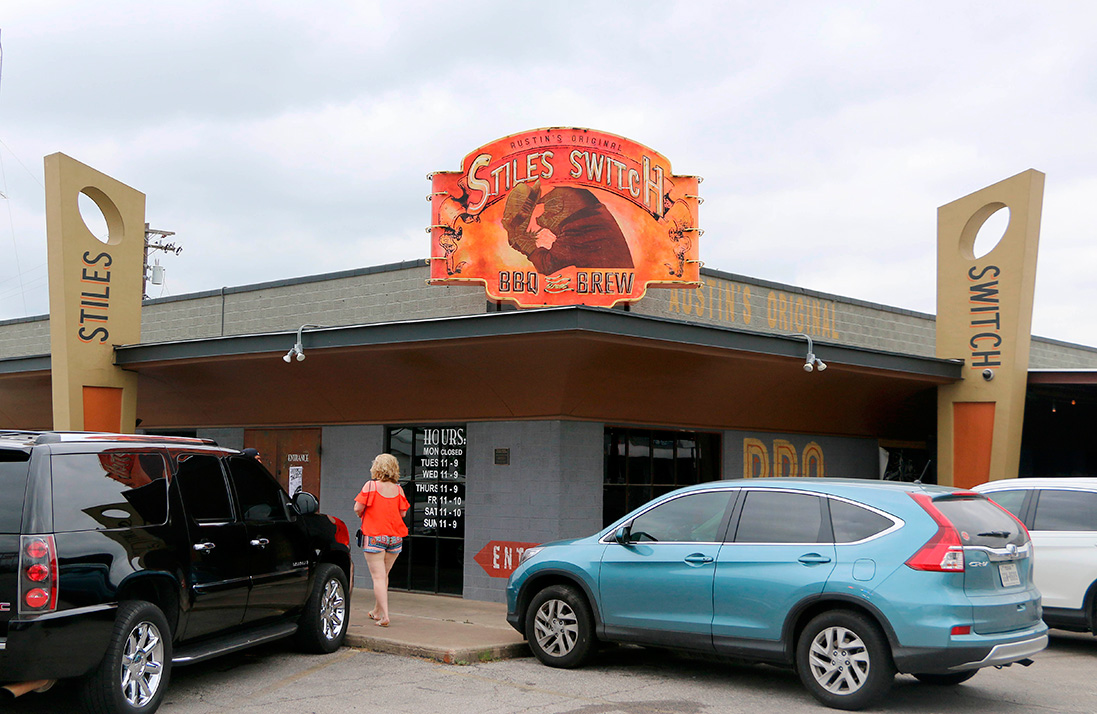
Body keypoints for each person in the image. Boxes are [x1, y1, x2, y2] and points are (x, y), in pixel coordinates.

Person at [503, 182, 634, 275]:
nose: (541, 221)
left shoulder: (581, 230)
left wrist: (527, 245)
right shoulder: (593, 217)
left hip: (608, 288)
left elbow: (547, 265)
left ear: (561, 208)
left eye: (546, 210)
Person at [353, 453, 409, 627]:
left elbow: (357, 508)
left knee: (377, 577)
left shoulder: (370, 486)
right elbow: (403, 513)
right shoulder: (399, 489)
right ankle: (376, 611)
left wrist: (366, 514)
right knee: (384, 575)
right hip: (395, 537)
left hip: (375, 535)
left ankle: (385, 615)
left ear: (376, 467)